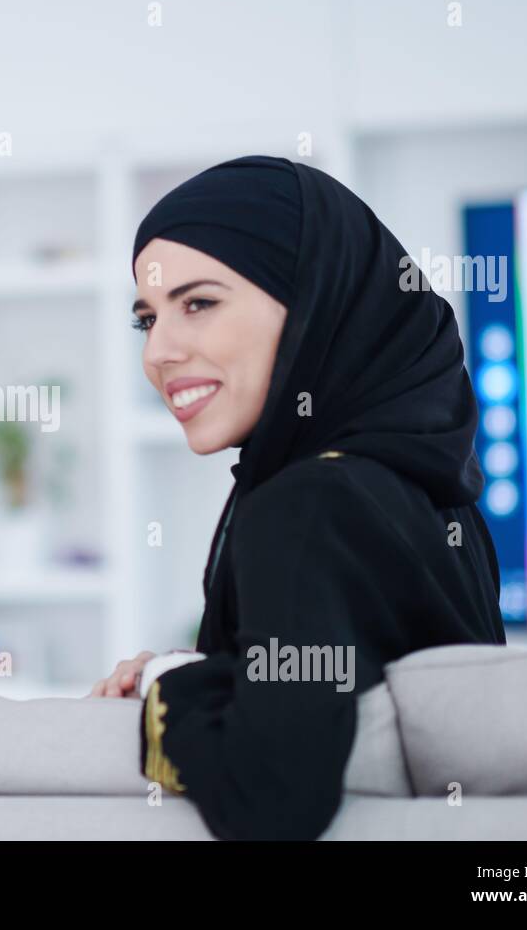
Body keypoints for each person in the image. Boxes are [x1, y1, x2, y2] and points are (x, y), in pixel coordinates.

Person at [90, 156, 505, 840]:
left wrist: (162, 683)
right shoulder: (430, 496)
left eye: (198, 303)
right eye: (146, 320)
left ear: (317, 300)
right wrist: (225, 677)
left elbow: (274, 801)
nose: (158, 352)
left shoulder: (308, 504)